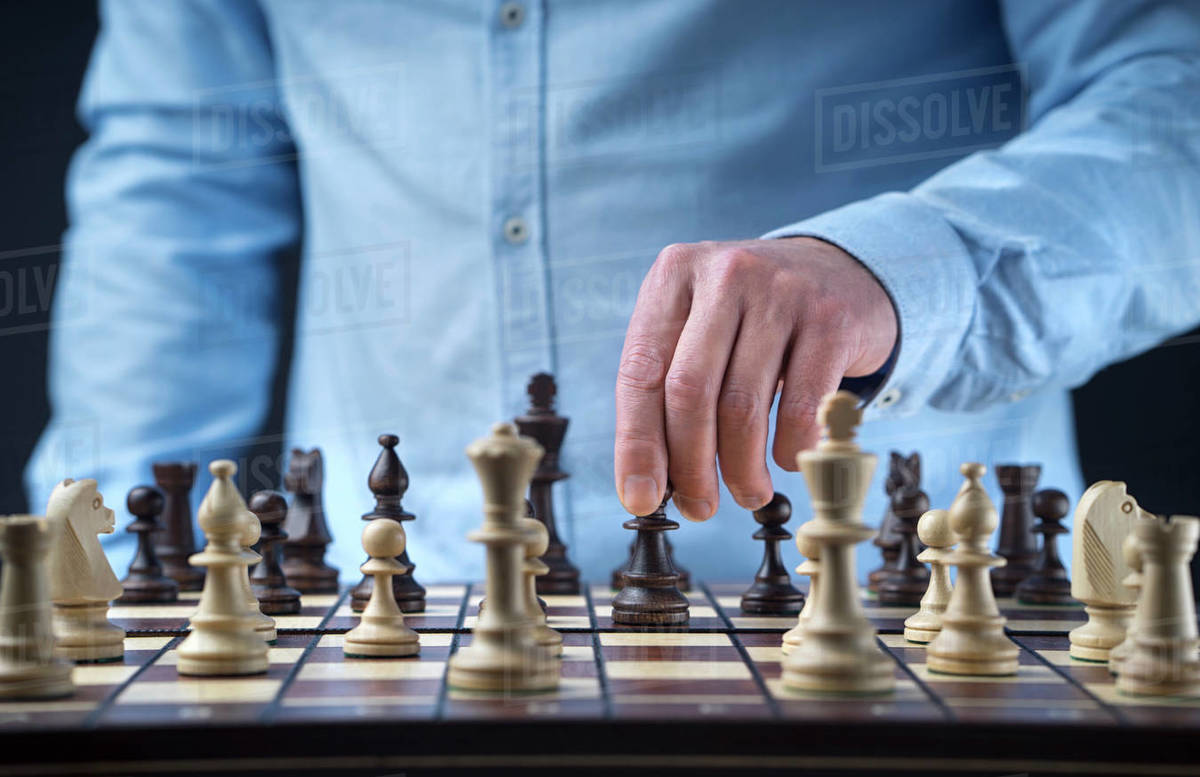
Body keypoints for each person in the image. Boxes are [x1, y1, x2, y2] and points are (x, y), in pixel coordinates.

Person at [27, 0, 1200, 583]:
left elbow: (1173, 101)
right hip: (377, 629)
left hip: (915, 634)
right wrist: (110, 568)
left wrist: (904, 267)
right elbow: (178, 175)